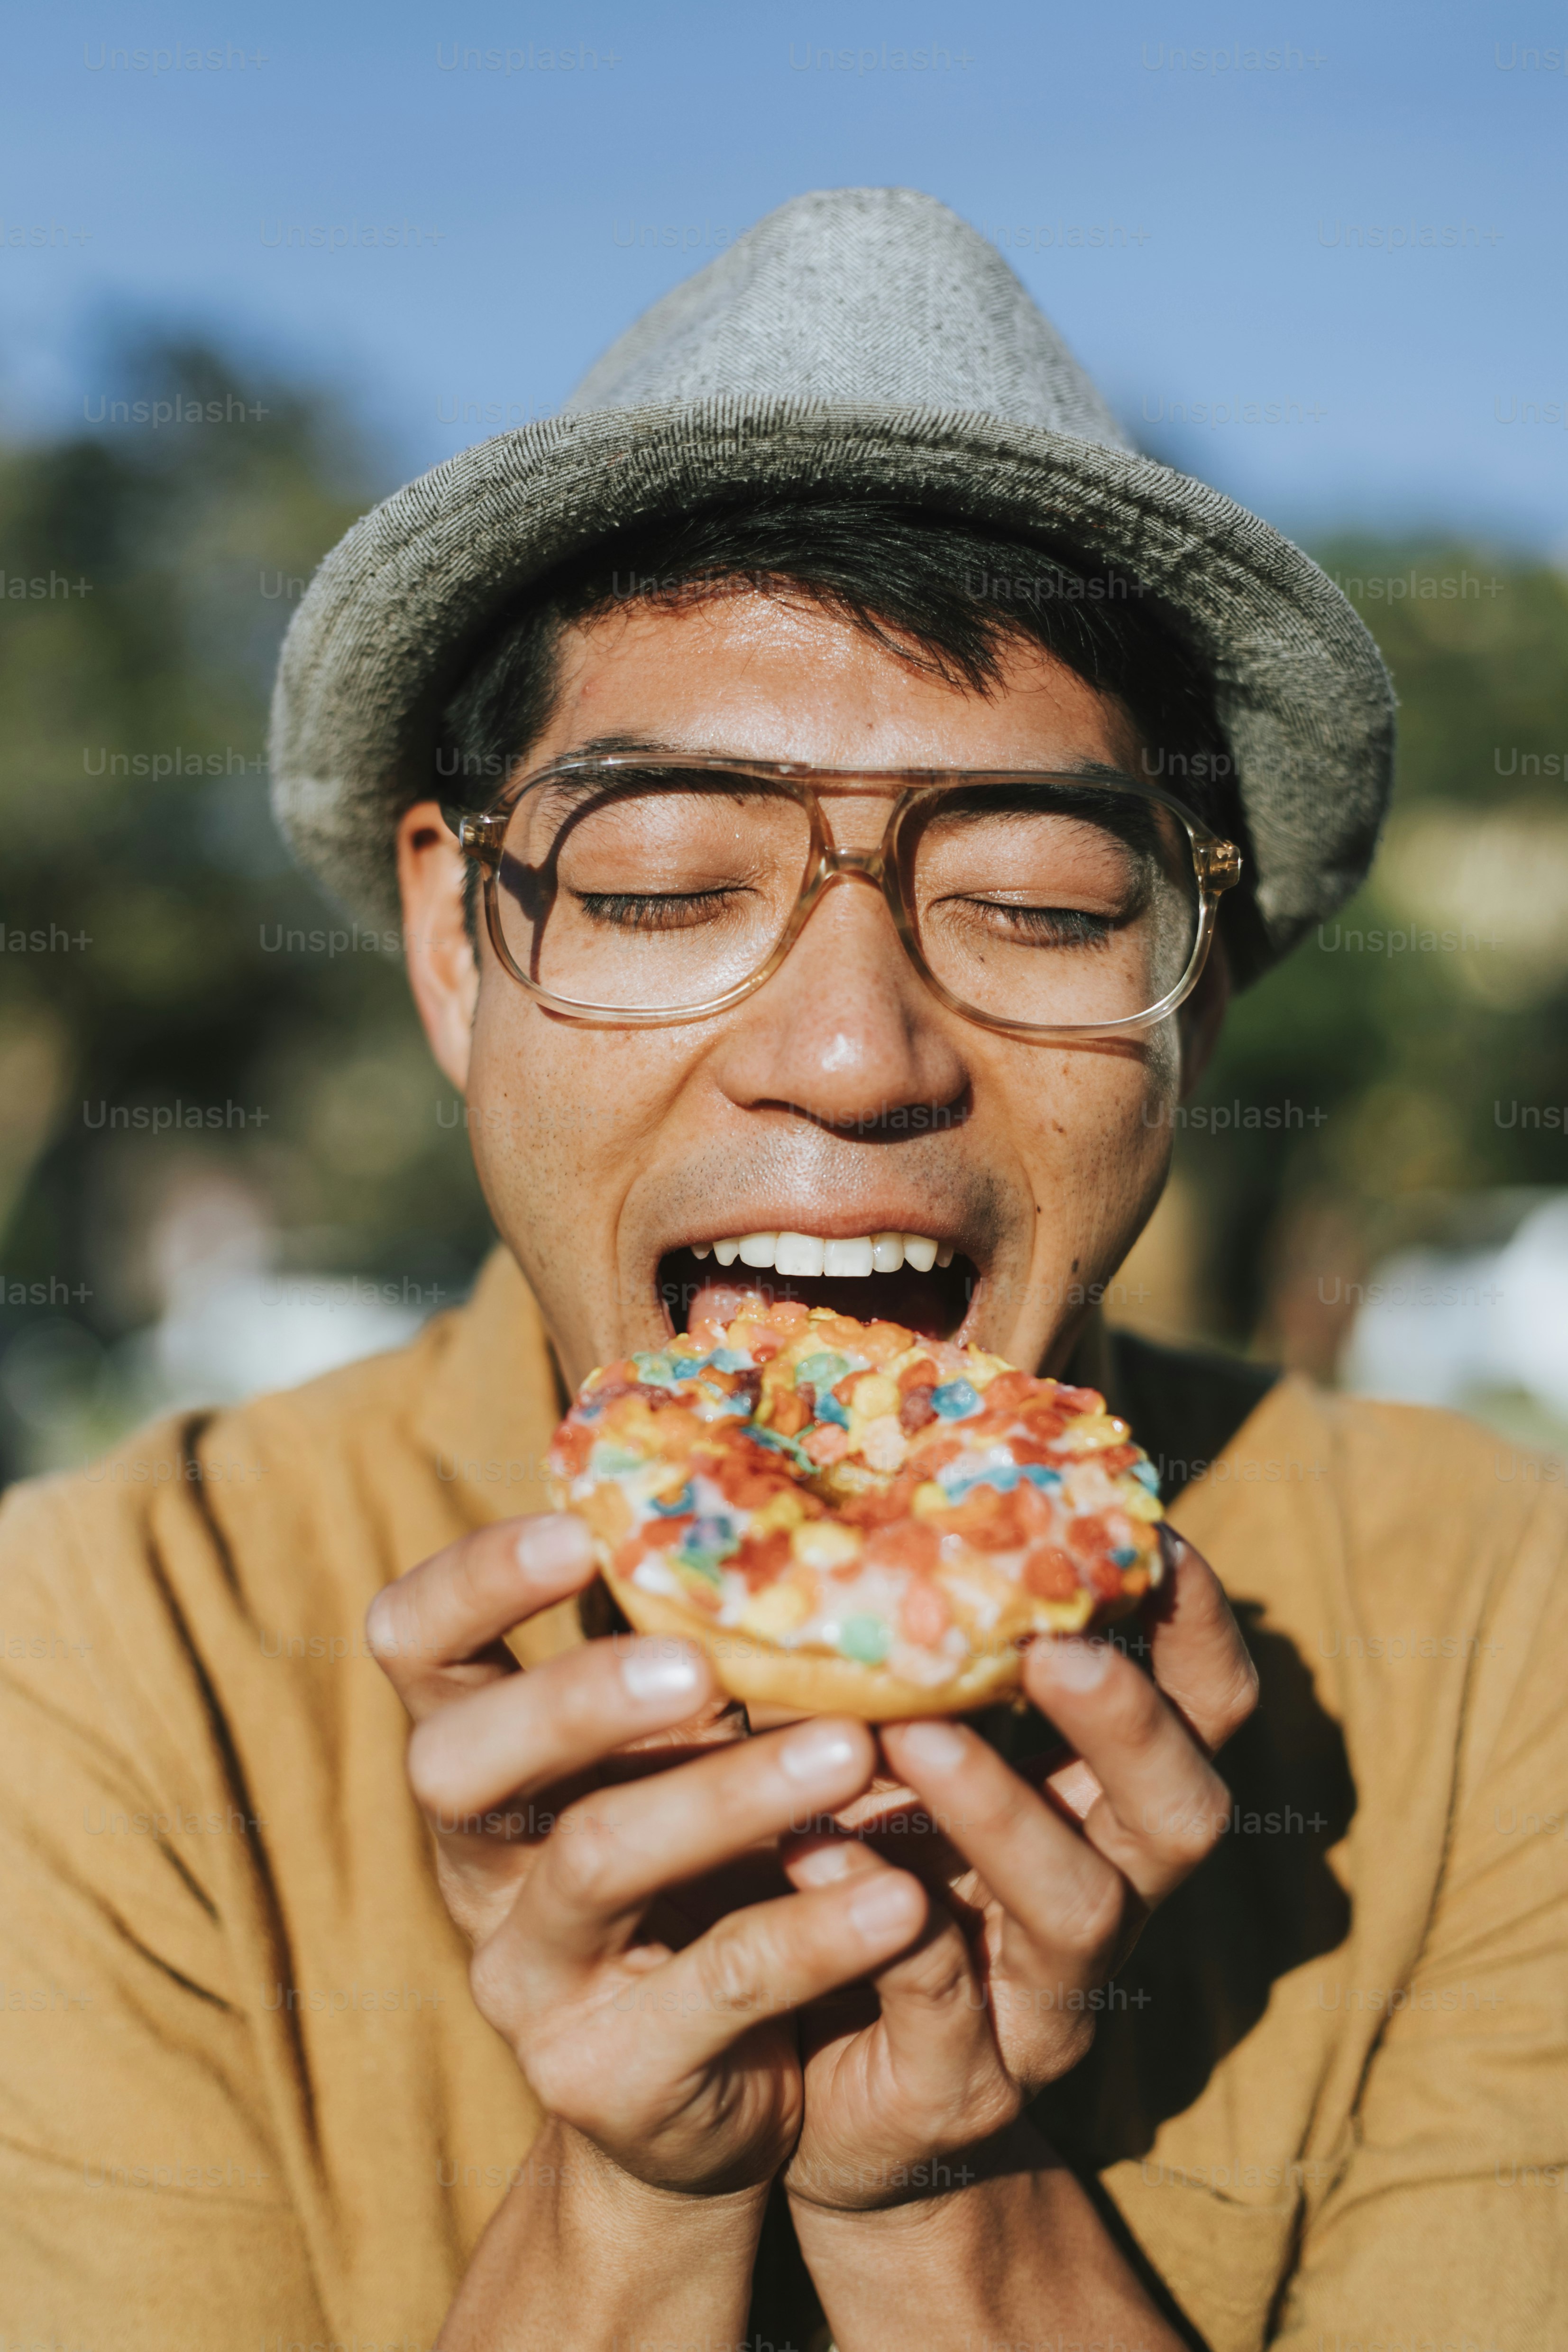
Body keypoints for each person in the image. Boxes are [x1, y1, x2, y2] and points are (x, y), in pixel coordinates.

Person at [1, 188, 1562, 2352]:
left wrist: (942, 2202)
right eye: (659, 885)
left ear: (1187, 1017)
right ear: (460, 948)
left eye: (1030, 899)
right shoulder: (90, 1662)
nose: (848, 1055)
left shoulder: (1502, 1642)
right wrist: (630, 2196)